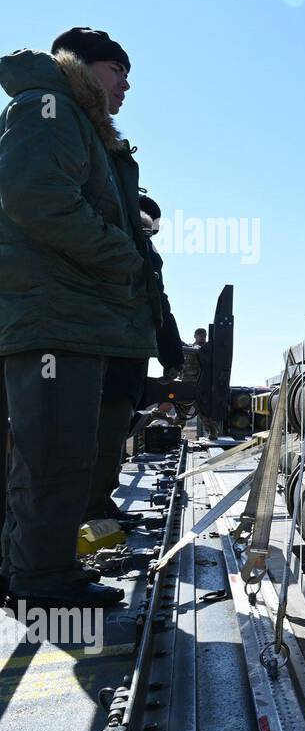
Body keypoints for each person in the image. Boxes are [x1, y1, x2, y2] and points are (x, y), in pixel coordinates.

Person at [0, 27, 159, 607]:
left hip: (55, 314)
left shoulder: (64, 117)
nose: (125, 85)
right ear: (85, 67)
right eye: (118, 70)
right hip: (56, 316)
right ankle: (44, 583)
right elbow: (34, 194)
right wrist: (122, 254)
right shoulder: (51, 109)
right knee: (57, 454)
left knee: (40, 452)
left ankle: (22, 570)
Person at [85, 193, 185, 521]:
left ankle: (96, 509)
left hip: (104, 349)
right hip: (117, 351)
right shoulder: (135, 249)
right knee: (107, 434)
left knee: (107, 436)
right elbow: (158, 302)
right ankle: (95, 513)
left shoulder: (101, 238)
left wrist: (171, 353)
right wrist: (171, 355)